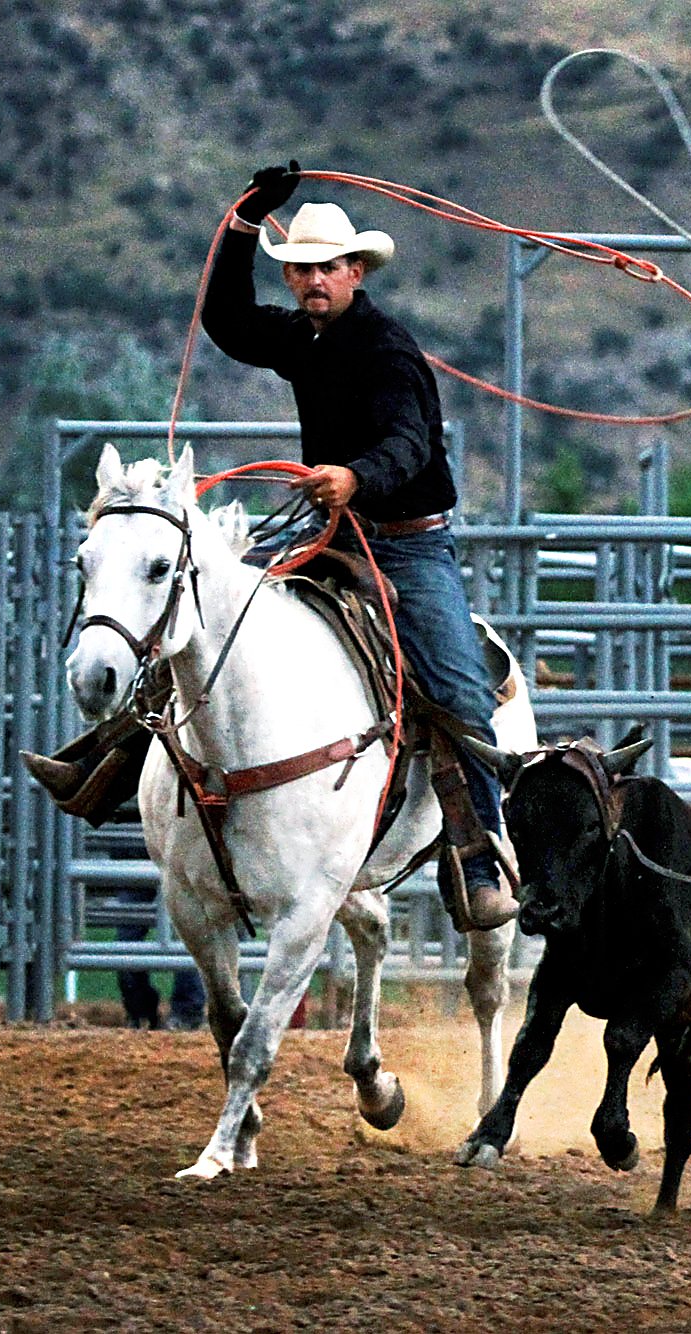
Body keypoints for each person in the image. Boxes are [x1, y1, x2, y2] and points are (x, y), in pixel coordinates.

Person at [197, 161, 516, 930]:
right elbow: (226, 321)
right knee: (217, 621)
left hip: (409, 544)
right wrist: (245, 221)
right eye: (301, 268)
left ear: (355, 271)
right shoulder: (304, 337)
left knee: (461, 689)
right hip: (332, 532)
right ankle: (125, 771)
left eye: (325, 268)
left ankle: (480, 853)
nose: (311, 279)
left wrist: (354, 475)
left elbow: (411, 442)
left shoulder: (387, 349)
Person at [115, 885, 206, 1030]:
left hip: (181, 869)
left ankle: (187, 1013)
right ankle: (141, 1011)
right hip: (138, 867)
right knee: (126, 943)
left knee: (191, 934)